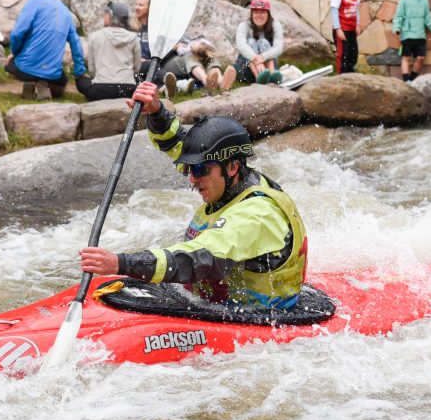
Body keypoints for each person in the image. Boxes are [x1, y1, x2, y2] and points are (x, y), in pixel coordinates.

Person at [78, 91, 308, 309]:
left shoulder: (257, 215)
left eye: (199, 170)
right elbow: (178, 143)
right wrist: (157, 112)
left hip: (261, 317)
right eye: (190, 168)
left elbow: (197, 260)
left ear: (232, 167)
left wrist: (120, 264)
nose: (191, 178)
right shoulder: (229, 180)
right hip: (221, 302)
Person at [5, 0, 85, 99]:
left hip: (25, 68)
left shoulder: (33, 2)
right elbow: (76, 43)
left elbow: (17, 34)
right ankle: (41, 83)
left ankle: (30, 84)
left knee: (12, 63)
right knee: (61, 84)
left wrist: (14, 53)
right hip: (52, 72)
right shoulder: (65, 11)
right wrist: (79, 71)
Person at [75, 1, 142, 101]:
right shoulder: (134, 38)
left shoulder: (95, 36)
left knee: (80, 79)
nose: (104, 16)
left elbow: (92, 69)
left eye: (106, 13)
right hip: (127, 89)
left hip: (100, 90)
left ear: (110, 16)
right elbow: (137, 68)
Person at [392, 0, 431, 81]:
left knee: (420, 58)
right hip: (407, 34)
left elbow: (427, 17)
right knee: (406, 58)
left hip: (420, 35)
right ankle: (406, 80)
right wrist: (396, 28)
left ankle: (413, 78)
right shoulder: (404, 0)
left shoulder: (424, 1)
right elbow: (399, 16)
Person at [236, 0, 285, 84]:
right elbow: (241, 46)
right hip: (246, 69)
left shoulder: (275, 25)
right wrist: (257, 61)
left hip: (268, 68)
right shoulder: (244, 25)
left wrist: (263, 57)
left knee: (263, 42)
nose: (259, 15)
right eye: (255, 12)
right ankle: (259, 75)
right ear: (251, 14)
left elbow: (279, 47)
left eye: (262, 12)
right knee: (250, 42)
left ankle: (271, 74)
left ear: (268, 14)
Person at [329, 0, 362, 76]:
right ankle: (341, 76)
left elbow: (356, 8)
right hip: (342, 29)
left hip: (352, 28)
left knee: (353, 53)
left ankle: (351, 74)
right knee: (343, 54)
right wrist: (338, 29)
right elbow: (334, 11)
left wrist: (357, 24)